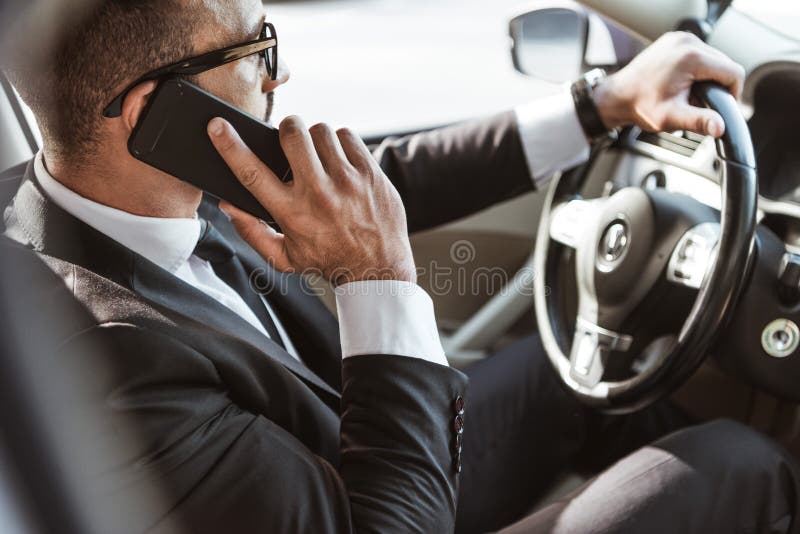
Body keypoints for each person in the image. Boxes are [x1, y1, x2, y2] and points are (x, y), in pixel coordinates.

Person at [2, 1, 799, 532]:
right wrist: (379, 279)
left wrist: (599, 106)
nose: (280, 78)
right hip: (377, 507)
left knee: (580, 377)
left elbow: (382, 183)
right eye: (258, 50)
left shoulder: (149, 183)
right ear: (155, 118)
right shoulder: (112, 370)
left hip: (355, 453)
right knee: (735, 465)